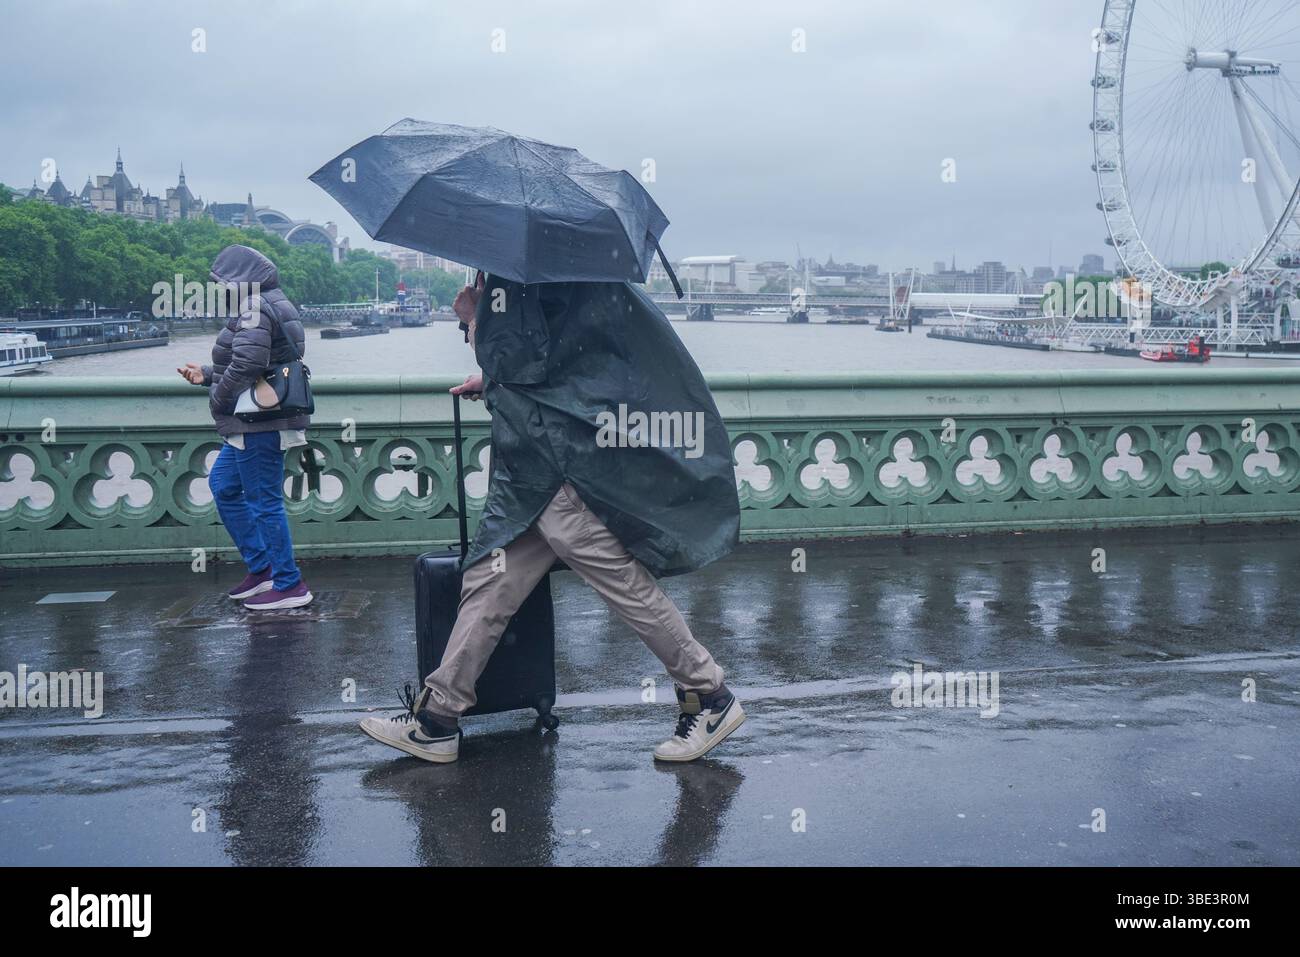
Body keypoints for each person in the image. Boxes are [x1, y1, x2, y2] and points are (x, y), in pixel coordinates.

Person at [361, 274, 744, 763]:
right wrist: (492, 378)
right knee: (490, 583)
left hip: (553, 472)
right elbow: (556, 364)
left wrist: (474, 319)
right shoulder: (559, 271)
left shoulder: (526, 275)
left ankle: (710, 694)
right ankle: (437, 719)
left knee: (623, 585)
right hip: (533, 474)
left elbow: (522, 359)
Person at [178, 244, 313, 610]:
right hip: (252, 420)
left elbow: (250, 365)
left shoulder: (255, 306)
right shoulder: (265, 302)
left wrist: (218, 398)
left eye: (222, 282)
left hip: (258, 421)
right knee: (223, 485)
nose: (219, 288)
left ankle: (289, 584)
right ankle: (262, 567)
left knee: (264, 503)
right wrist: (205, 374)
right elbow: (253, 361)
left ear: (239, 279)